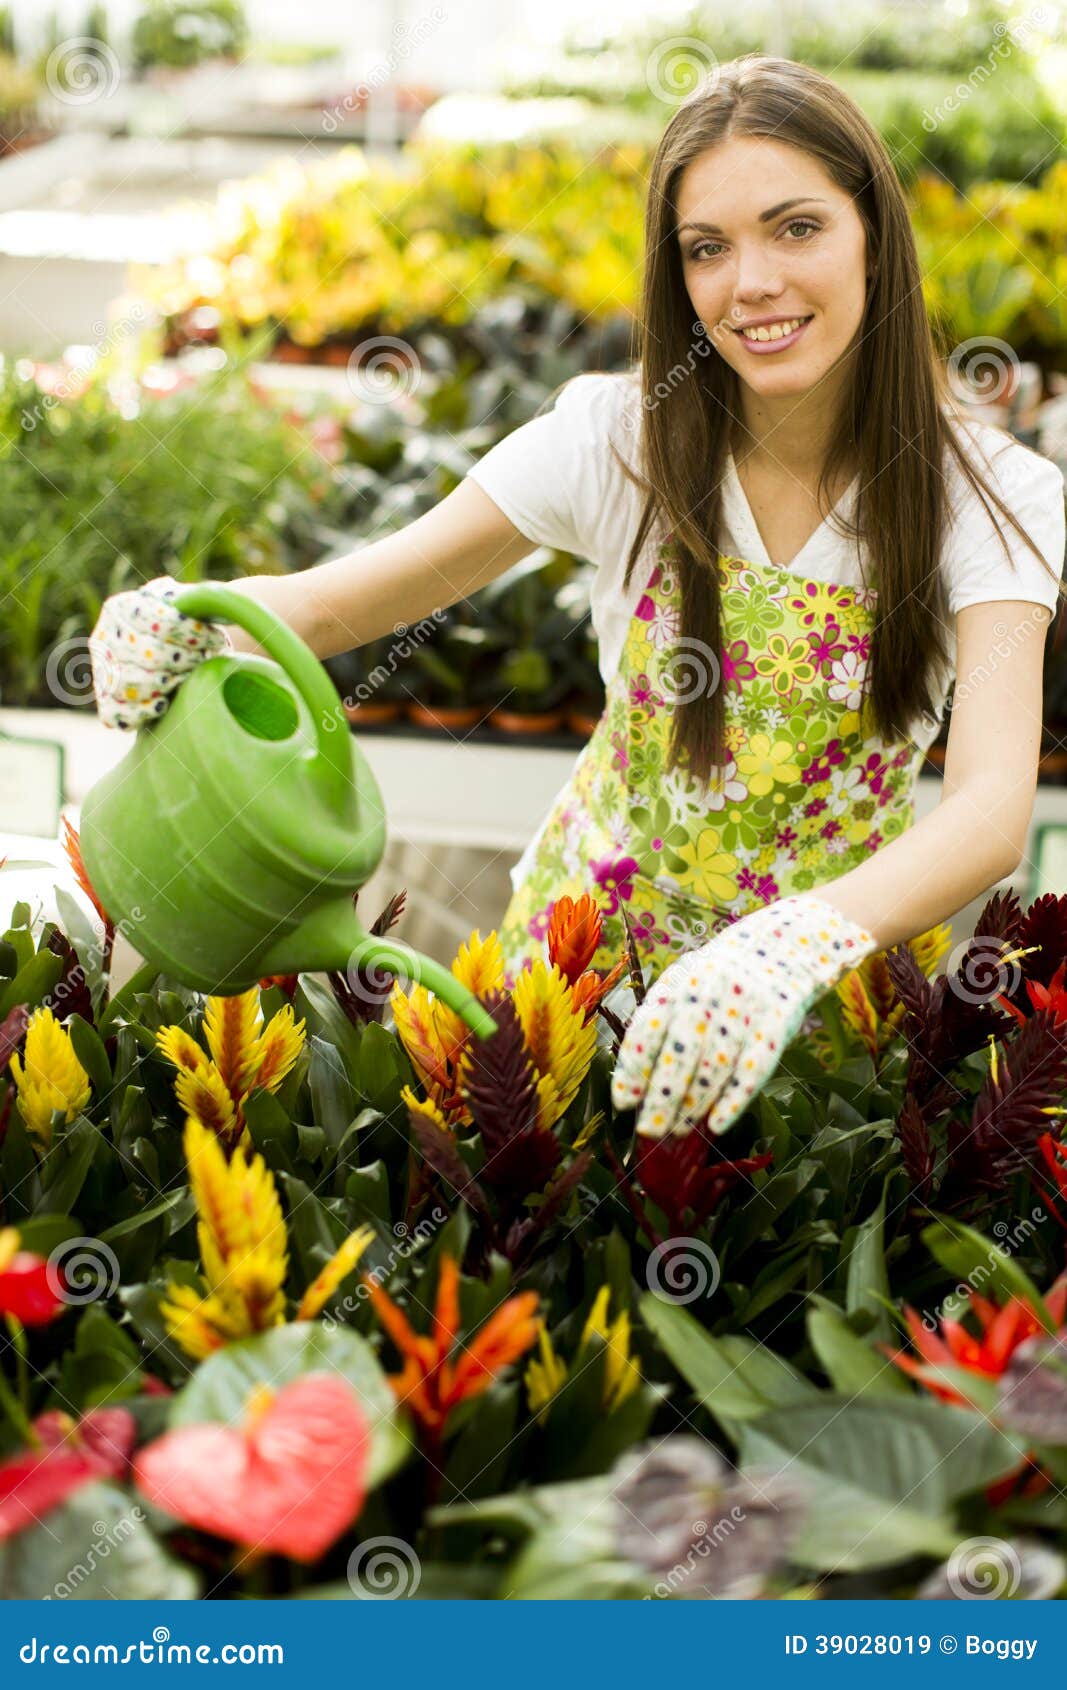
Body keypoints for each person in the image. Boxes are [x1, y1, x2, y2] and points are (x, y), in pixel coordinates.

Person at [90, 56, 1066, 1143]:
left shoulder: (990, 498)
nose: (750, 281)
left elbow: (986, 808)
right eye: (707, 248)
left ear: (873, 237)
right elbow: (328, 608)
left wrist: (788, 946)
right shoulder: (617, 440)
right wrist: (188, 618)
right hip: (570, 980)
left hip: (813, 1005)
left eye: (795, 228)